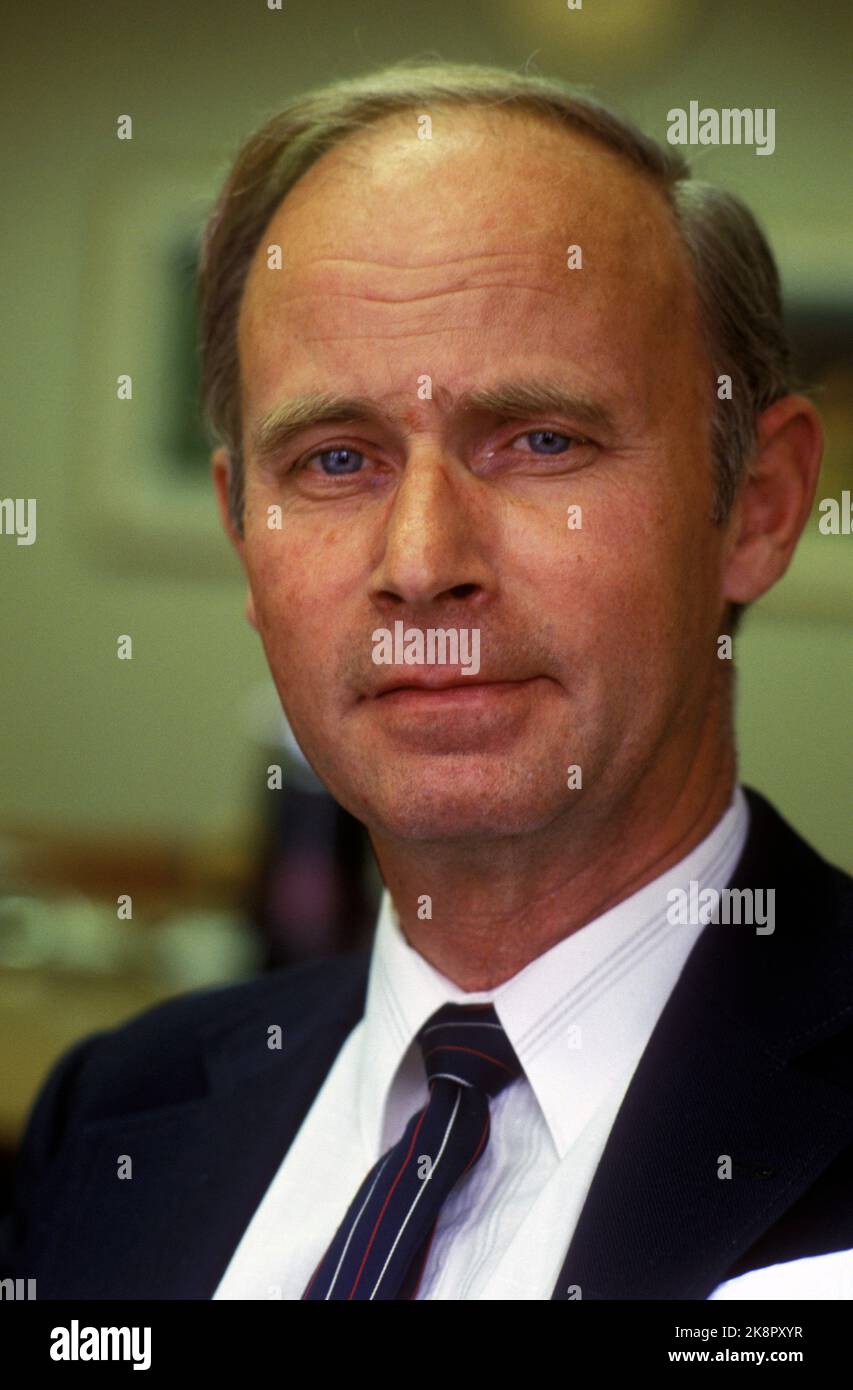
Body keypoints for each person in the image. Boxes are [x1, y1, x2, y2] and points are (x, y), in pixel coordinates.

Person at [2, 61, 851, 1301]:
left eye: (541, 441)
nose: (419, 563)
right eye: (335, 458)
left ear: (757, 509)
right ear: (244, 532)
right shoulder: (114, 1111)